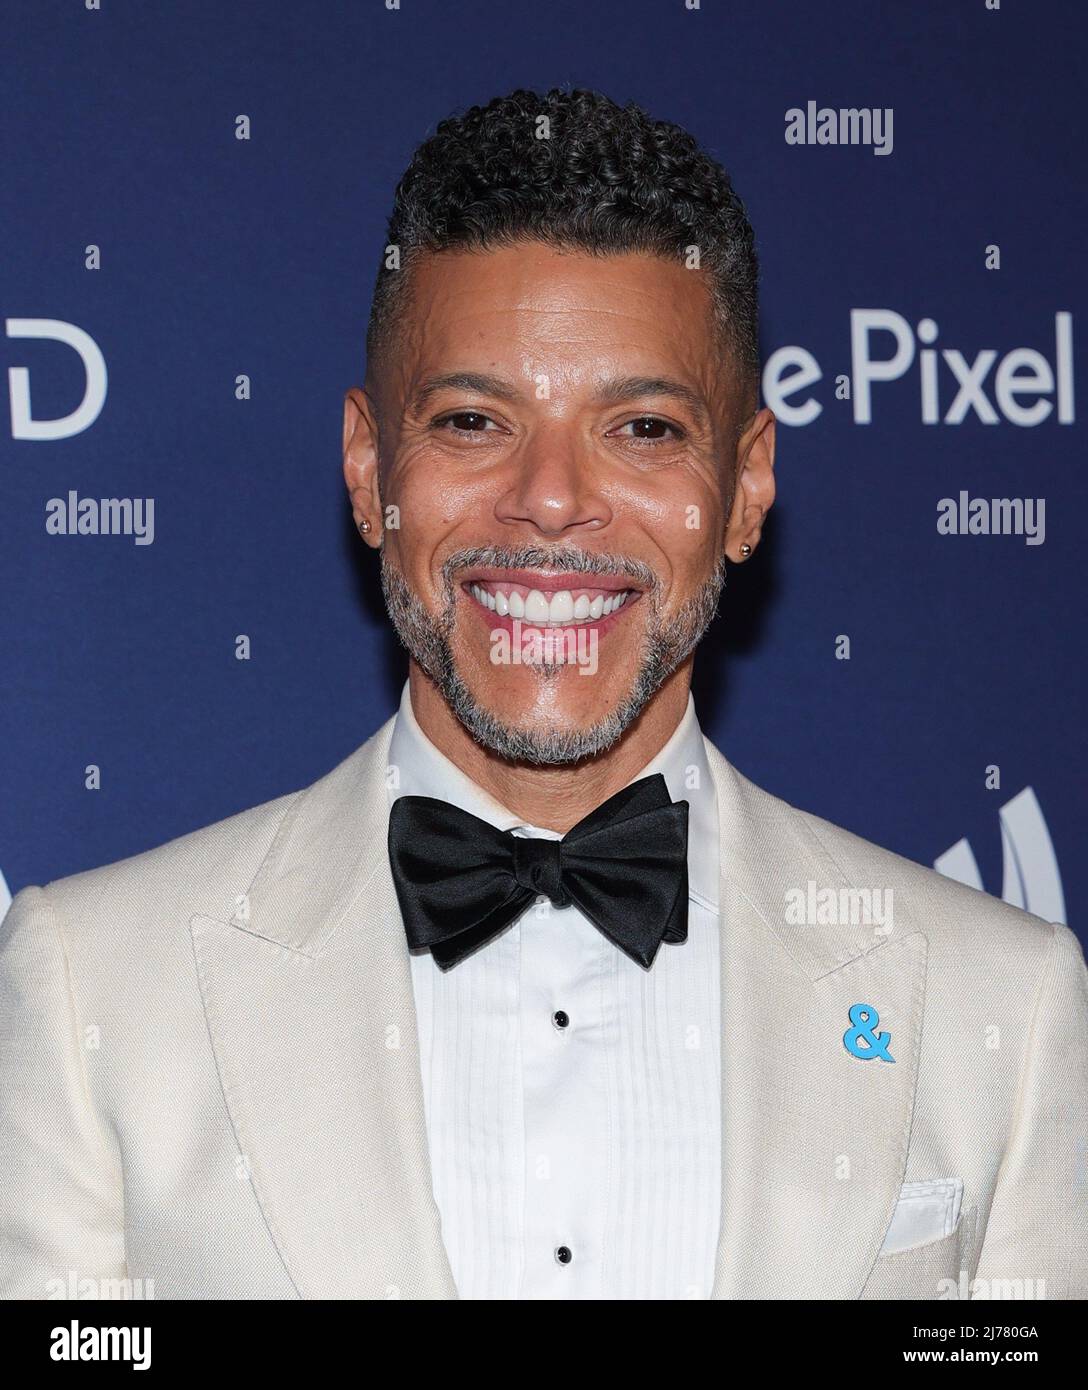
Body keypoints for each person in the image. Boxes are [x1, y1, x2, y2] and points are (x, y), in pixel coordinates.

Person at [2, 88, 1085, 1302]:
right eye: (472, 420)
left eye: (641, 427)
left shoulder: (1008, 1008)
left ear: (744, 487)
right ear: (369, 474)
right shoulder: (92, 987)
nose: (552, 498)